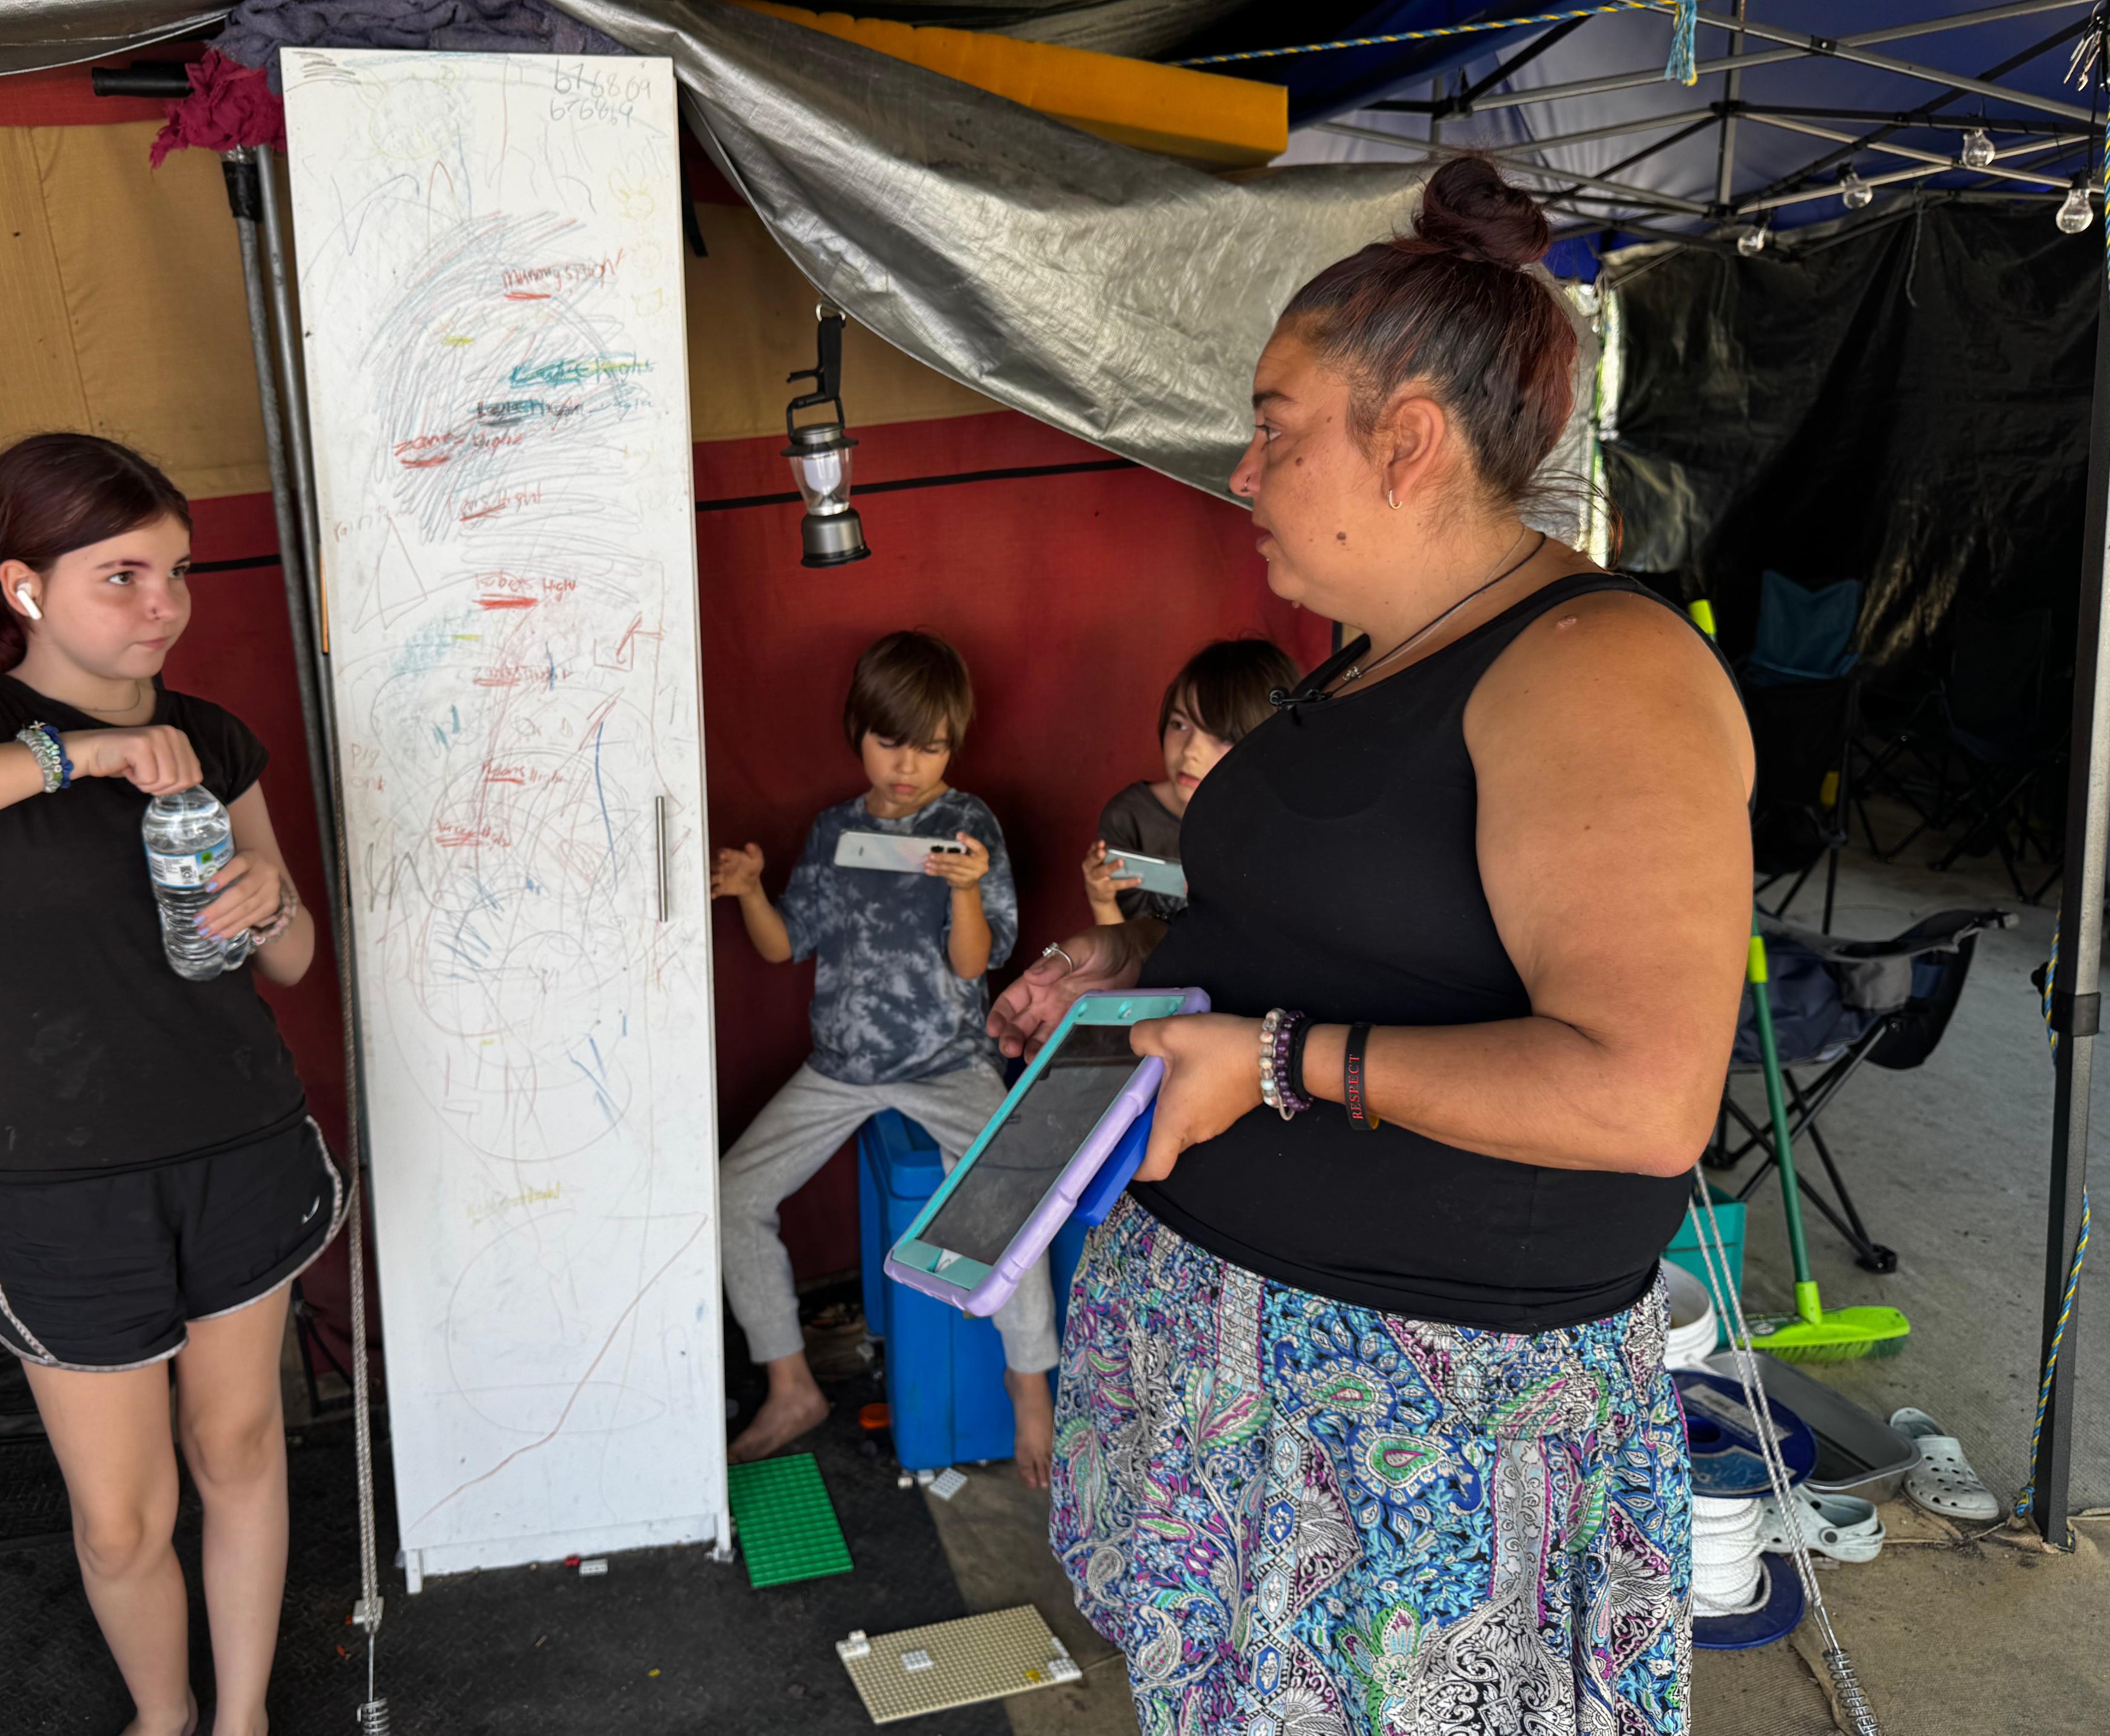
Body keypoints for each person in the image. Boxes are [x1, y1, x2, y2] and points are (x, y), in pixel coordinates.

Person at [989, 157, 1751, 1733]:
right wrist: (1136, 973)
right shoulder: (1360, 667)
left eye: (1277, 425)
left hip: (1438, 1426)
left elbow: (1641, 1098)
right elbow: (1353, 940)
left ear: (1407, 441)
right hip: (1252, 1375)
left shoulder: (1597, 671)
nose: (1245, 467)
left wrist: (1269, 1058)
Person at [0, 433, 329, 1736]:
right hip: (57, 1176)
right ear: (26, 584)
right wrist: (70, 754)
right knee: (122, 1511)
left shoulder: (212, 734)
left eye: (180, 575)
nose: (165, 609)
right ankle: (165, 1714)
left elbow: (301, 953)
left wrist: (267, 901)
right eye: (124, 576)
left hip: (238, 1139)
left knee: (241, 1446)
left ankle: (244, 1714)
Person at [711, 630, 1058, 1485]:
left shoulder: (969, 825)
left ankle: (1028, 1384)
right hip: (842, 1065)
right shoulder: (835, 830)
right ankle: (790, 1381)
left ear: (955, 744)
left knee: (1010, 1195)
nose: (908, 765)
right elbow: (784, 945)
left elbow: (977, 964)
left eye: (931, 746)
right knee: (731, 1194)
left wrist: (966, 891)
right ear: (857, 732)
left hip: (949, 1060)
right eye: (889, 741)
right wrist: (754, 891)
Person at [1082, 638, 1299, 926]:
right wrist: (1102, 901)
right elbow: (1126, 954)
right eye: (1180, 725)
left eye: (1222, 736)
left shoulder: (1287, 828)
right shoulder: (1131, 817)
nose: (1189, 752)